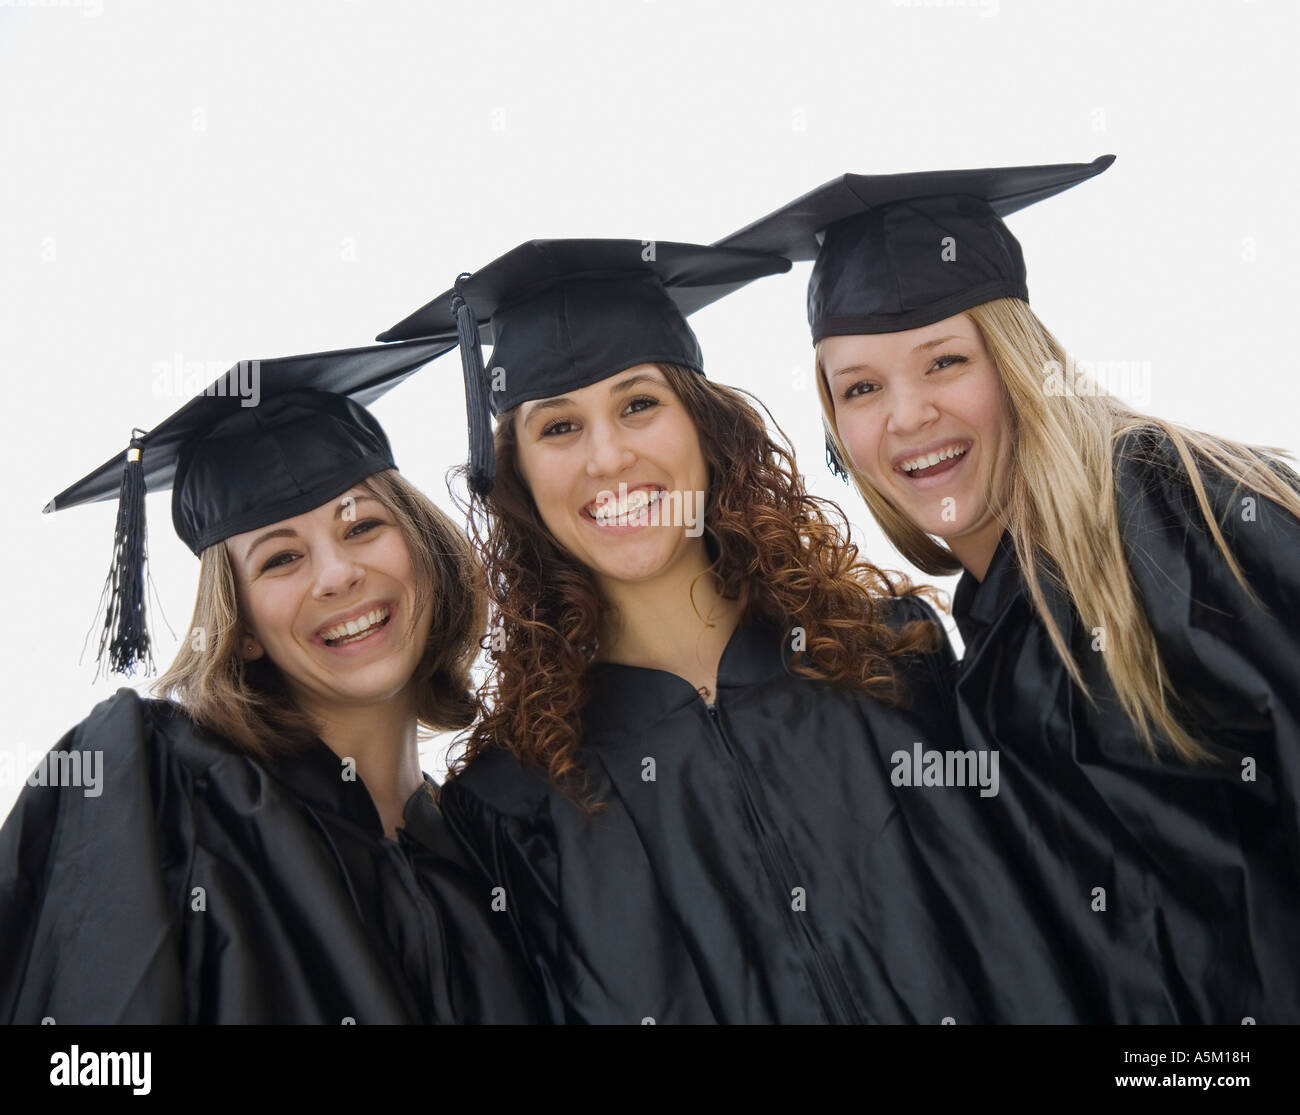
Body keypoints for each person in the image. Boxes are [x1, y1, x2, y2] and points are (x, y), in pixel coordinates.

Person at [376, 238, 1107, 1024]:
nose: (609, 456)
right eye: (559, 427)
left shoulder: (892, 656)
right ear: (515, 474)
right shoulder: (514, 805)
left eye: (638, 403)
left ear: (704, 424)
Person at [719, 155, 1300, 1022]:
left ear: (1019, 362)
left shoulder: (1162, 508)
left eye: (945, 360)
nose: (907, 415)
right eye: (863, 388)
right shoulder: (984, 624)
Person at [0, 340, 542, 1024]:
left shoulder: (501, 844)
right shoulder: (167, 799)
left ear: (424, 551)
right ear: (243, 626)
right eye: (281, 558)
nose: (337, 574)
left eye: (363, 525)